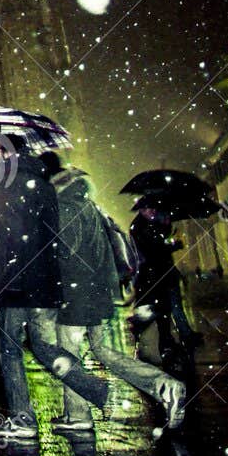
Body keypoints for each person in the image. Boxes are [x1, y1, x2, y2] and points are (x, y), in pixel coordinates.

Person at [42, 153, 186, 432]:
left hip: (75, 295)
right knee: (104, 352)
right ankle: (163, 385)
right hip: (96, 293)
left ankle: (78, 415)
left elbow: (67, 255)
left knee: (66, 353)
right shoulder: (87, 204)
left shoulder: (64, 207)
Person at [0, 141, 111, 439]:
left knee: (10, 350)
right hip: (44, 281)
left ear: (7, 153)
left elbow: (8, 241)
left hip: (17, 283)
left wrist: (2, 282)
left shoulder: (7, 183)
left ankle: (24, 420)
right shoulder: (43, 183)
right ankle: (93, 388)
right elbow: (49, 234)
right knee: (42, 346)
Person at [129, 201, 198, 362]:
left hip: (160, 274)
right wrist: (172, 245)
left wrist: (166, 229)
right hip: (153, 275)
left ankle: (166, 342)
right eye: (148, 209)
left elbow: (158, 246)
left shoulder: (149, 224)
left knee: (163, 309)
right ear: (142, 210)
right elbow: (154, 250)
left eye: (153, 208)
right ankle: (158, 339)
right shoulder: (140, 227)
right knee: (158, 309)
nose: (152, 211)